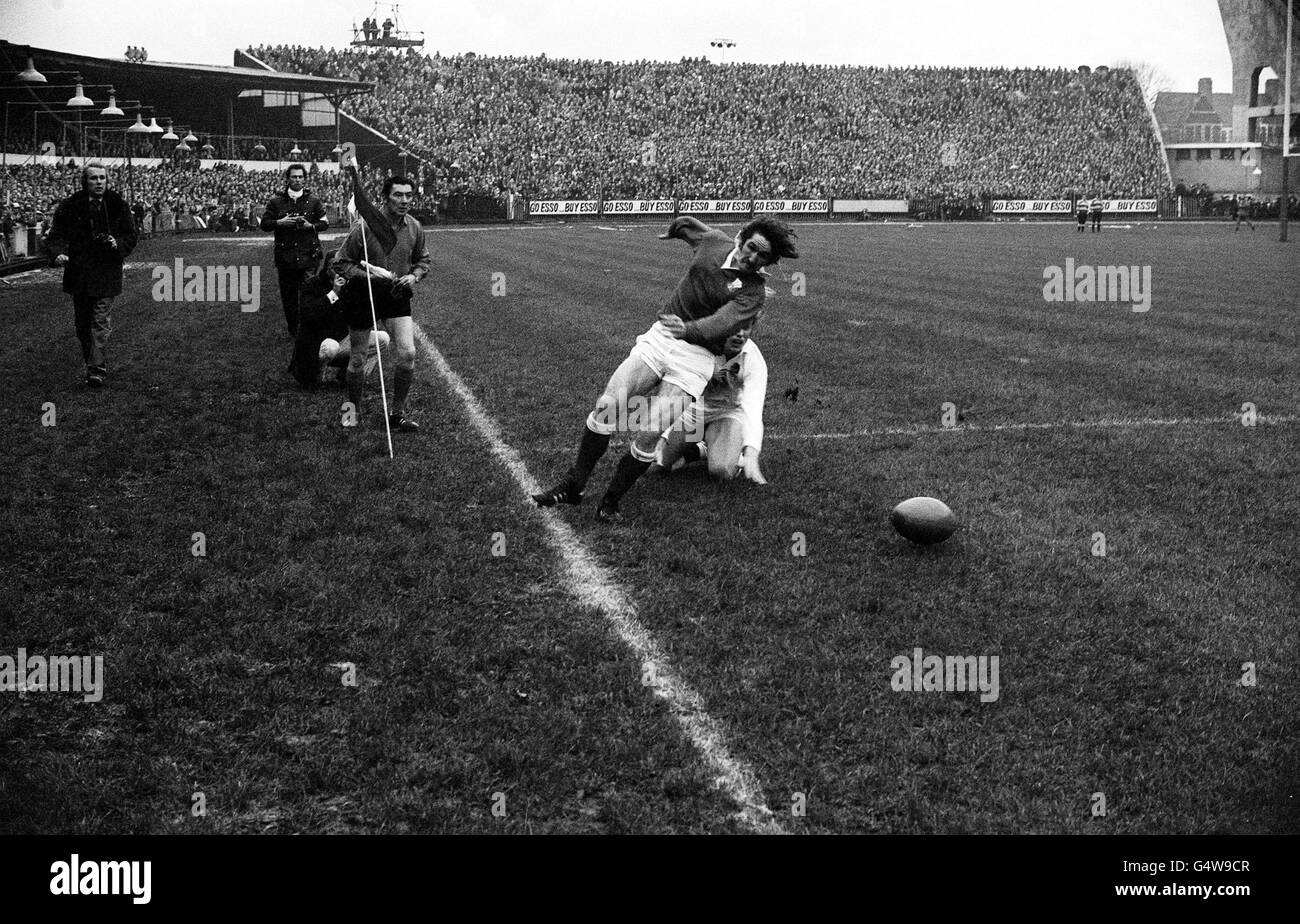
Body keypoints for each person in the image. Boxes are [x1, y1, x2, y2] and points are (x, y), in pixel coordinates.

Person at [532, 214, 798, 520]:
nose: (752, 258)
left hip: (696, 358)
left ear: (769, 262)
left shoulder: (753, 293)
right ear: (741, 237)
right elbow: (690, 227)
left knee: (650, 431)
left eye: (762, 256)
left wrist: (687, 329)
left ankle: (611, 502)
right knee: (609, 403)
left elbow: (720, 324)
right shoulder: (715, 242)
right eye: (751, 247)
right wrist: (675, 230)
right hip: (662, 338)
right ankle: (574, 484)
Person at [332, 174, 430, 432]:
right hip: (363, 295)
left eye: (409, 195)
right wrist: (369, 276)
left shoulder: (414, 227)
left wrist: (414, 276)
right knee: (357, 359)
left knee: (408, 353)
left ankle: (397, 414)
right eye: (398, 195)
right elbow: (340, 262)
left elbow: (423, 261)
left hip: (396, 294)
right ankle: (352, 410)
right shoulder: (365, 227)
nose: (404, 200)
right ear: (386, 197)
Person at [45, 162, 138, 388]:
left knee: (100, 320)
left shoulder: (118, 205)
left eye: (102, 178)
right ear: (84, 181)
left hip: (107, 273)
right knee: (82, 325)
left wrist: (118, 243)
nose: (99, 183)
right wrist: (58, 254)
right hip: (80, 274)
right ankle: (93, 361)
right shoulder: (71, 206)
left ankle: (96, 369)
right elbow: (55, 236)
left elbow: (131, 235)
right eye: (94, 178)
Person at [652, 329, 769, 484]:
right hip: (692, 413)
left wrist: (751, 453)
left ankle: (704, 449)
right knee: (658, 466)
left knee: (722, 471)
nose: (740, 334)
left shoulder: (753, 359)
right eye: (736, 327)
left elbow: (753, 407)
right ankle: (703, 443)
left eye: (746, 327)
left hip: (728, 413)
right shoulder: (699, 348)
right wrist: (664, 435)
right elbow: (677, 393)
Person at [260, 163, 328, 336]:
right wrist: (279, 223)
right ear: (287, 179)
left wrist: (310, 225)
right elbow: (265, 224)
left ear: (305, 179)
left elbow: (325, 223)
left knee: (310, 293)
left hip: (309, 256)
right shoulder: (276, 201)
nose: (297, 180)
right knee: (289, 296)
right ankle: (294, 330)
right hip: (286, 257)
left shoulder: (313, 201)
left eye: (300, 177)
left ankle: (309, 328)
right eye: (294, 177)